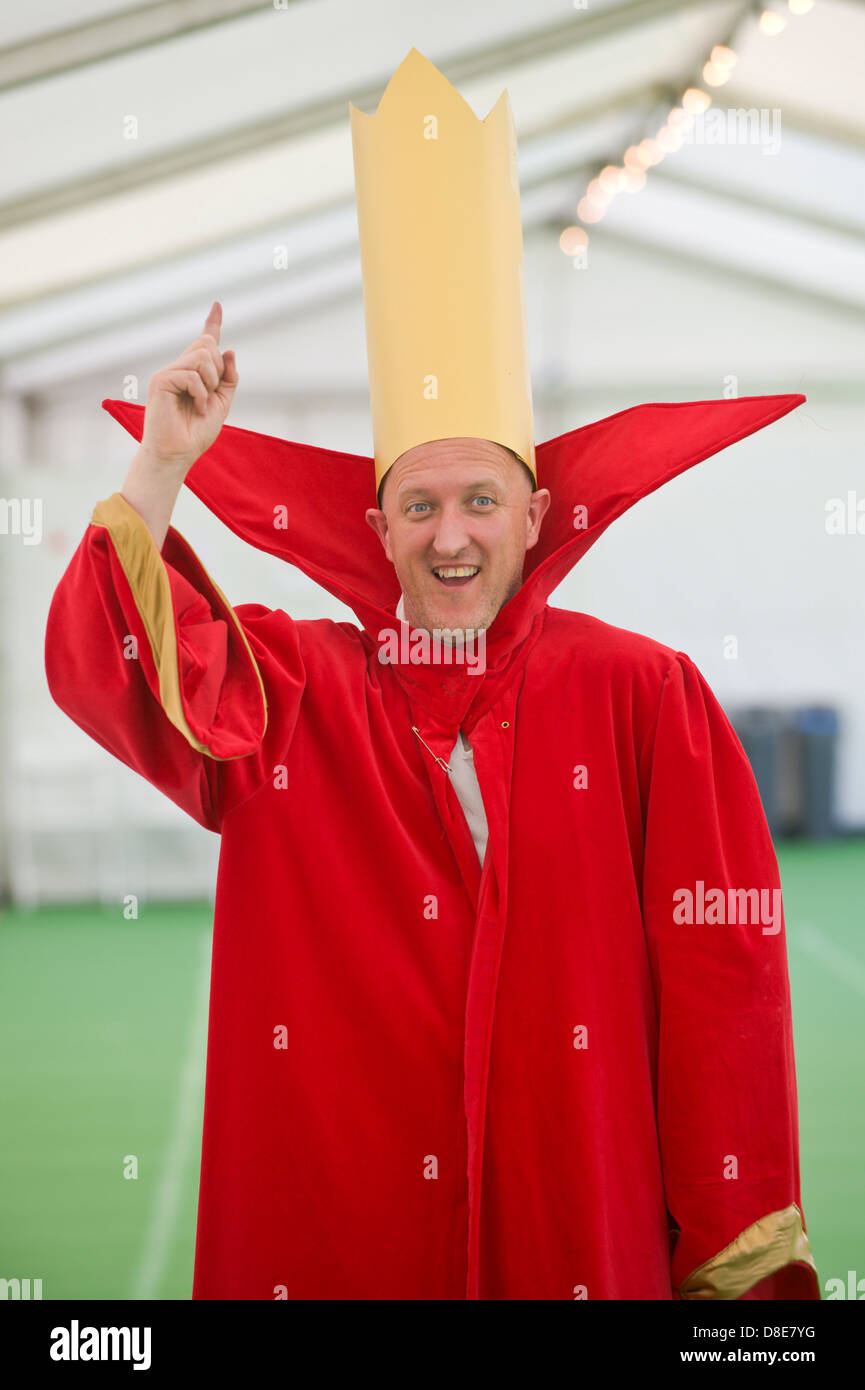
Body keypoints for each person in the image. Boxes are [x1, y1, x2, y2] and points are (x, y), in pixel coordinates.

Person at [44, 51, 819, 1301]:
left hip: (571, 1219)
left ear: (532, 516)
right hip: (348, 1233)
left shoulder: (644, 698)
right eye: (418, 504)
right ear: (379, 523)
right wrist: (162, 469)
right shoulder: (287, 688)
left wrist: (733, 1262)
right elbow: (114, 671)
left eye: (478, 500)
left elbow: (725, 984)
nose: (449, 534)